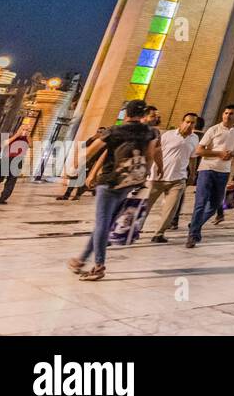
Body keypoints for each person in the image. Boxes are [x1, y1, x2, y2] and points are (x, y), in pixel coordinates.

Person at [67, 100, 161, 281]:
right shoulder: (150, 133)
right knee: (106, 222)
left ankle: (99, 266)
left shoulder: (115, 130)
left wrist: (76, 166)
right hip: (129, 182)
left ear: (127, 113)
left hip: (110, 181)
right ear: (143, 115)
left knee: (102, 223)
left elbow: (90, 152)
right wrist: (143, 177)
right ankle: (81, 259)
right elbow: (149, 157)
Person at [185, 106, 234, 248]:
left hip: (223, 172)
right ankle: (193, 235)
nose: (227, 116)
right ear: (222, 114)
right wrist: (219, 153)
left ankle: (195, 224)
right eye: (225, 113)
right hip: (207, 170)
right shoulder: (213, 130)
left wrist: (232, 154)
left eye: (231, 114)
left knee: (215, 204)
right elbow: (199, 150)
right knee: (201, 203)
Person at [142, 112, 199, 243]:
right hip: (157, 178)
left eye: (193, 123)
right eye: (187, 122)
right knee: (145, 206)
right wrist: (151, 169)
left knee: (170, 210)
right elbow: (155, 151)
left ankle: (159, 234)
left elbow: (193, 158)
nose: (189, 125)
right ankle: (134, 229)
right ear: (182, 122)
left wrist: (192, 173)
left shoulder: (195, 138)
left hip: (178, 179)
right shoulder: (168, 135)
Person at [0, 125, 31, 204]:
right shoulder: (11, 135)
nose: (25, 131)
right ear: (19, 128)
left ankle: (2, 199)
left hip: (18, 161)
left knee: (11, 181)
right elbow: (3, 144)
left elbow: (31, 145)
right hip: (7, 159)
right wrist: (17, 135)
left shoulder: (27, 138)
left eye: (27, 130)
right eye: (23, 129)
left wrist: (28, 136)